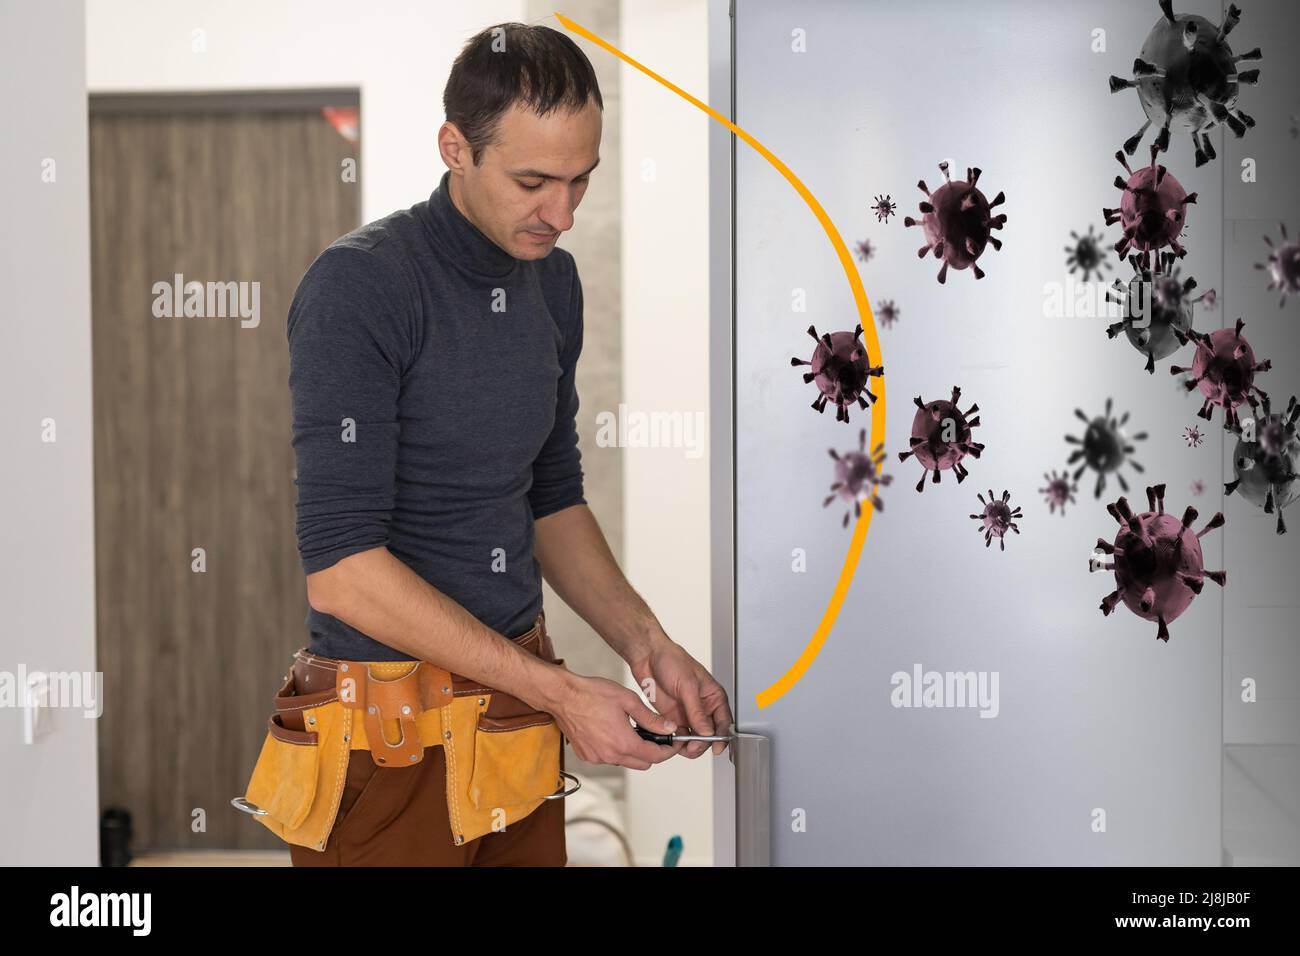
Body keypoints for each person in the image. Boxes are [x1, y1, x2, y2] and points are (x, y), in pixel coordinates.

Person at [280, 21, 732, 867]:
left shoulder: (552, 285)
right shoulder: (362, 286)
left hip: (514, 723)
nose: (561, 214)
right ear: (455, 147)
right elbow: (342, 569)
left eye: (580, 181)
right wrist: (561, 692)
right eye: (533, 181)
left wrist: (649, 646)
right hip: (389, 737)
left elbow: (551, 495)